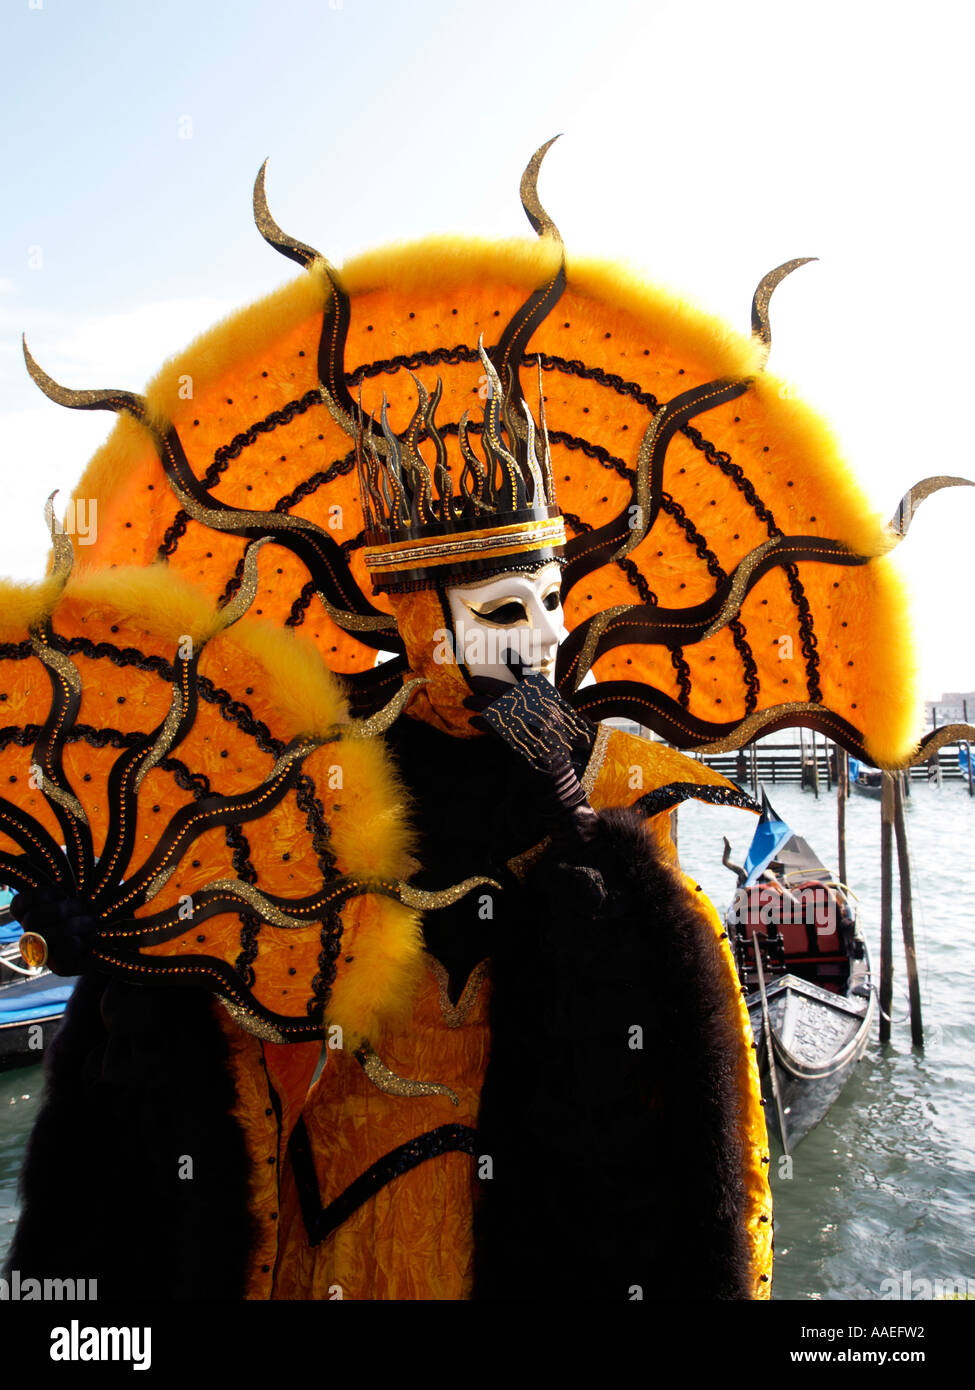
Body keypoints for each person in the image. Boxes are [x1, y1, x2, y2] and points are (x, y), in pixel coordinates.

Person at [3, 139, 933, 1300]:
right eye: (504, 609)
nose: (542, 639)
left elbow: (680, 1106)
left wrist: (589, 857)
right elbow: (225, 1047)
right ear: (416, 624)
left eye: (553, 605)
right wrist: (128, 948)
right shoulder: (303, 805)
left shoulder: (609, 800)